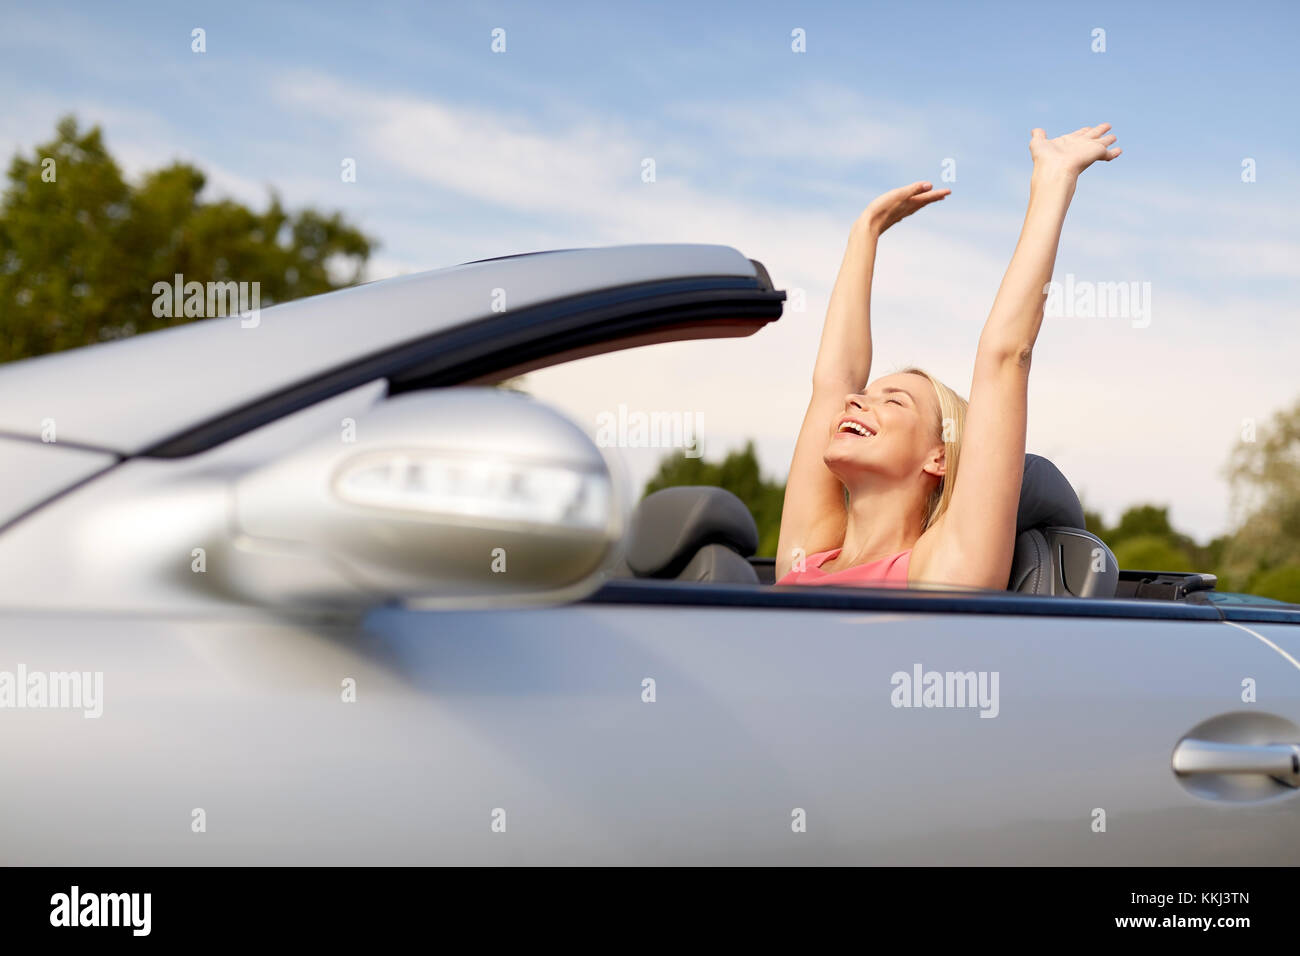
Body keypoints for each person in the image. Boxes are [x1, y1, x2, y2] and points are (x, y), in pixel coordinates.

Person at [775, 124, 1122, 589]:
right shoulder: (806, 558)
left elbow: (1005, 356)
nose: (855, 403)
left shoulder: (940, 572)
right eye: (866, 397)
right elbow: (834, 382)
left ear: (938, 457)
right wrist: (866, 232)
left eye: (894, 401)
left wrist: (1054, 179)